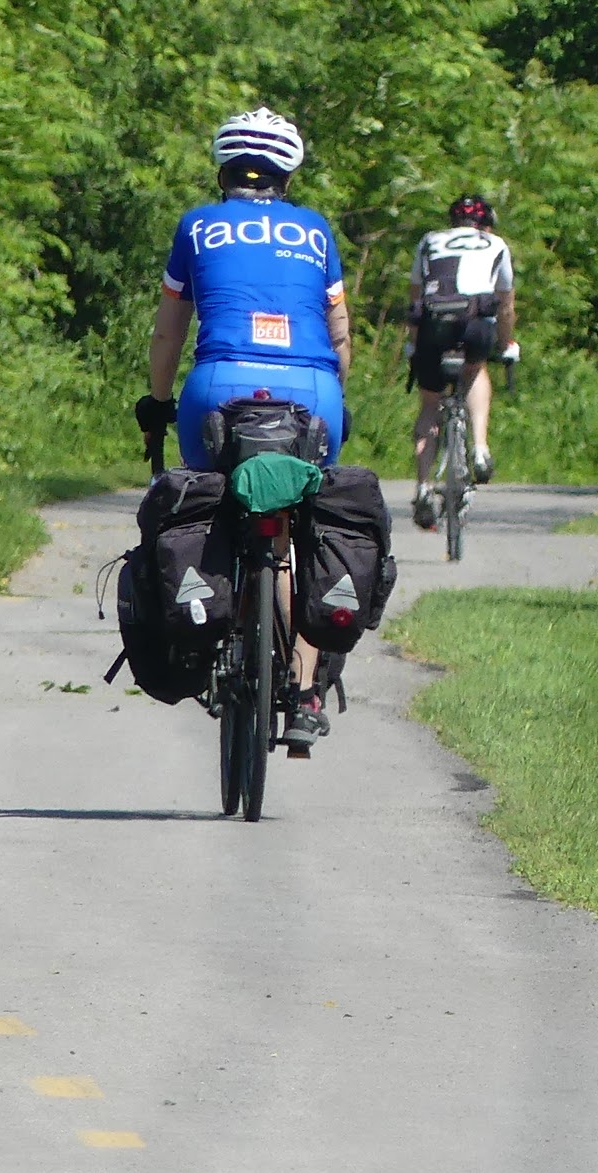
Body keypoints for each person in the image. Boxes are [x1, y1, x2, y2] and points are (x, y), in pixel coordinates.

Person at [142, 105, 350, 751]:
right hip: (312, 390)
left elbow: (170, 329)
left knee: (209, 501)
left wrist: (156, 400)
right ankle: (307, 688)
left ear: (223, 167)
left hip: (219, 385)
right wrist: (338, 394)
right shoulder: (315, 232)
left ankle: (211, 627)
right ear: (288, 174)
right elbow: (340, 335)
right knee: (303, 523)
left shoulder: (198, 226)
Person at [406, 194, 518, 530]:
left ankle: (424, 486)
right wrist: (506, 342)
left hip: (433, 325)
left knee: (429, 404)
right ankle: (480, 448)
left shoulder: (429, 241)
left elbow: (415, 299)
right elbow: (505, 305)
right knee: (476, 369)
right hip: (474, 325)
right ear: (485, 223)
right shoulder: (495, 244)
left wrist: (413, 345)